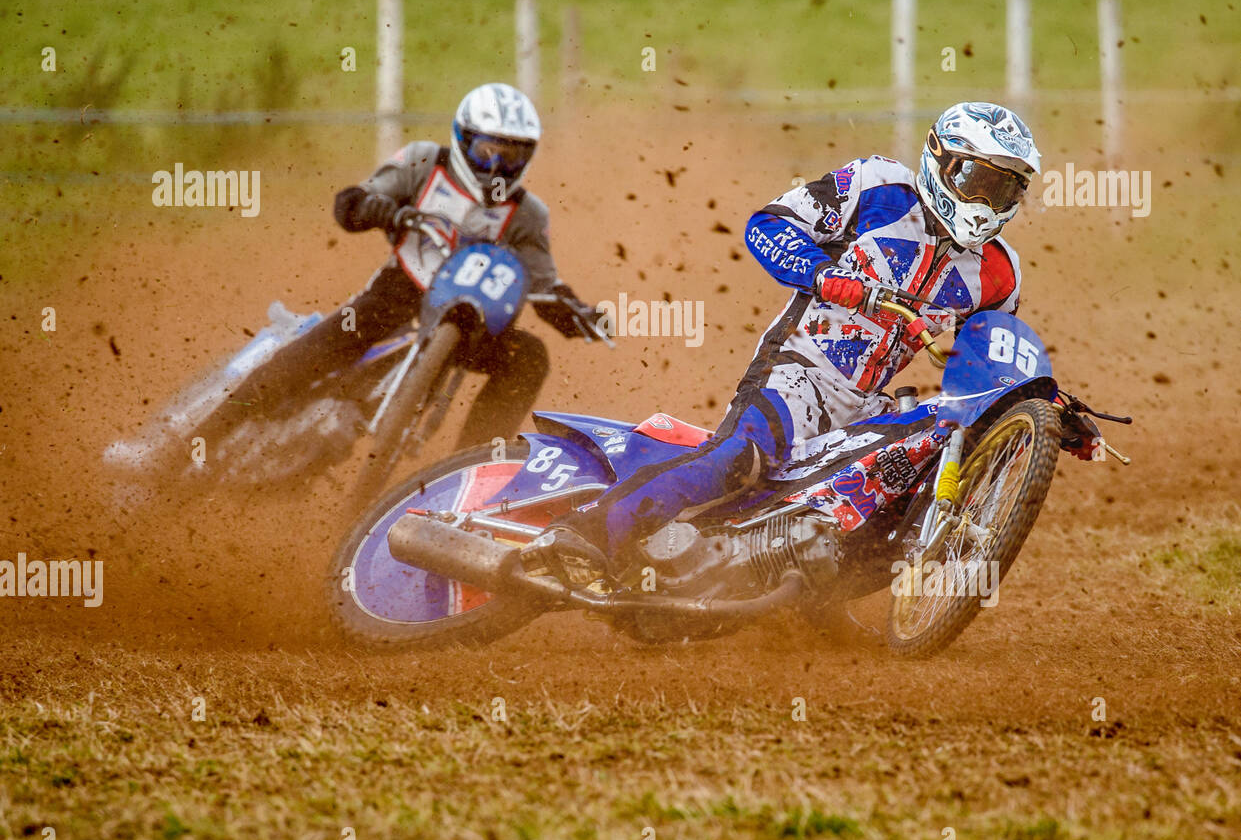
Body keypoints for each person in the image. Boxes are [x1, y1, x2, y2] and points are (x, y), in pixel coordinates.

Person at [522, 100, 1100, 578]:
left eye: (1006, 190)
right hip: (800, 367)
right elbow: (767, 226)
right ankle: (583, 533)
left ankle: (796, 584)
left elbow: (983, 363)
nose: (988, 202)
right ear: (942, 163)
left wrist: (1042, 404)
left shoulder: (1001, 273)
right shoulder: (878, 187)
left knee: (899, 478)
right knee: (737, 459)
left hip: (871, 400)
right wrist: (828, 277)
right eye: (980, 181)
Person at [197, 82, 601, 452]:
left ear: (527, 158)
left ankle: (475, 471)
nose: (496, 168)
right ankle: (193, 443)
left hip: (471, 323)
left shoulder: (528, 214)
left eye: (510, 157)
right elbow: (351, 204)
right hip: (399, 293)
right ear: (463, 138)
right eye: (486, 151)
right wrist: (377, 208)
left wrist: (579, 314)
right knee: (310, 355)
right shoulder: (423, 162)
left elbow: (544, 285)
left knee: (528, 356)